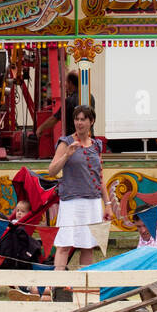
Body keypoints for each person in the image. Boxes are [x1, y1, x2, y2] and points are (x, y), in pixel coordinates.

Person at [49, 105, 112, 269]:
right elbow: (52, 171)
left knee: (87, 246)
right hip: (71, 201)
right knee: (64, 245)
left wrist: (108, 204)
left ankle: (83, 289)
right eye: (76, 119)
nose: (79, 122)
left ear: (91, 121)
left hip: (92, 202)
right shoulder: (66, 142)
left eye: (83, 119)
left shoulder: (97, 145)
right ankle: (55, 287)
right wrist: (67, 155)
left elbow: (100, 177)